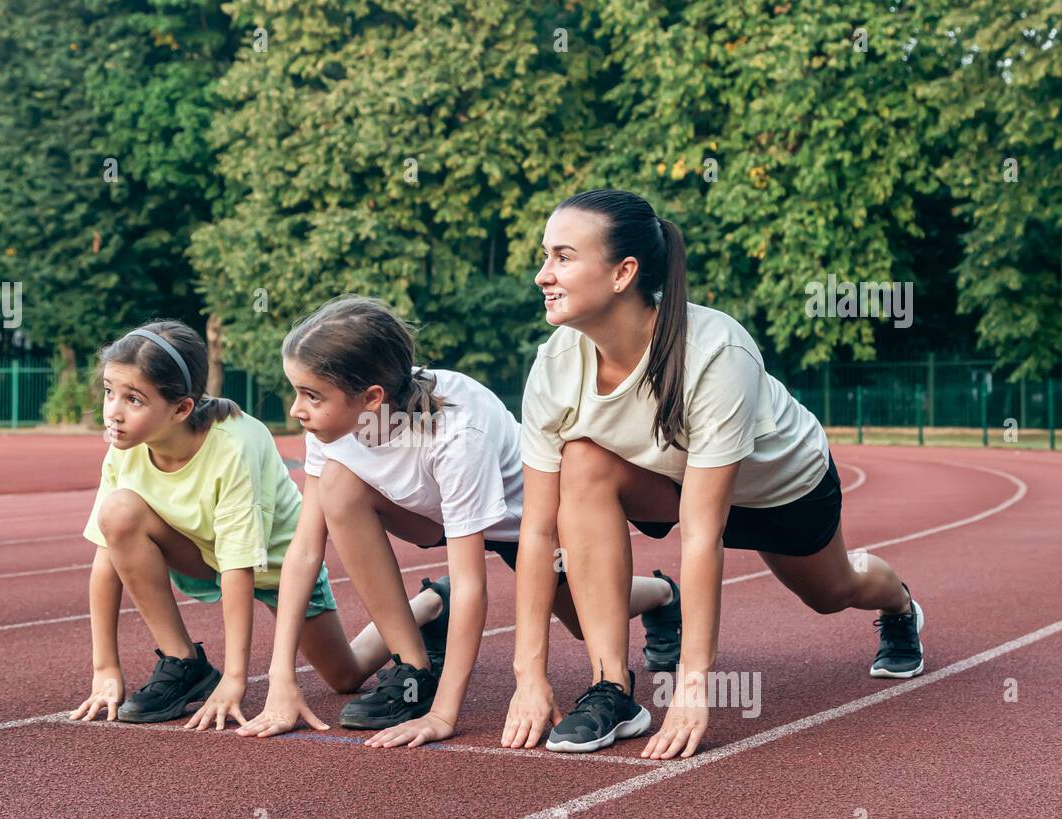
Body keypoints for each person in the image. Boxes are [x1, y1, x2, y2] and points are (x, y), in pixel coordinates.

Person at [504, 188, 924, 757]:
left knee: (833, 591)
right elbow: (536, 530)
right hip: (671, 481)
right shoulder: (556, 365)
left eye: (563, 256)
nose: (542, 275)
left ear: (624, 272)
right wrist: (529, 676)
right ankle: (612, 689)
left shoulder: (716, 351)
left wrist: (693, 686)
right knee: (583, 460)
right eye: (545, 256)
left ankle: (899, 605)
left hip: (782, 491)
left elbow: (704, 533)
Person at [238, 295, 678, 748]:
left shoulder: (456, 432)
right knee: (336, 485)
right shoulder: (332, 427)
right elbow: (306, 551)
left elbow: (471, 583)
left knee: (586, 621)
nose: (296, 409)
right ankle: (414, 668)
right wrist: (280, 679)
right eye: (297, 391)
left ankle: (662, 594)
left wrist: (444, 717)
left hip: (521, 524)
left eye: (311, 395)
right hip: (430, 515)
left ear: (371, 398)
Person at [69, 320, 343, 730]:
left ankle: (430, 606)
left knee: (347, 675)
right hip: (203, 555)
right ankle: (184, 663)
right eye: (110, 392)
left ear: (181, 408)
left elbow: (240, 566)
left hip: (280, 566)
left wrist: (236, 680)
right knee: (118, 513)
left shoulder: (234, 446)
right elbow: (106, 557)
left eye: (134, 399)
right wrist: (105, 668)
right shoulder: (124, 446)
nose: (113, 412)